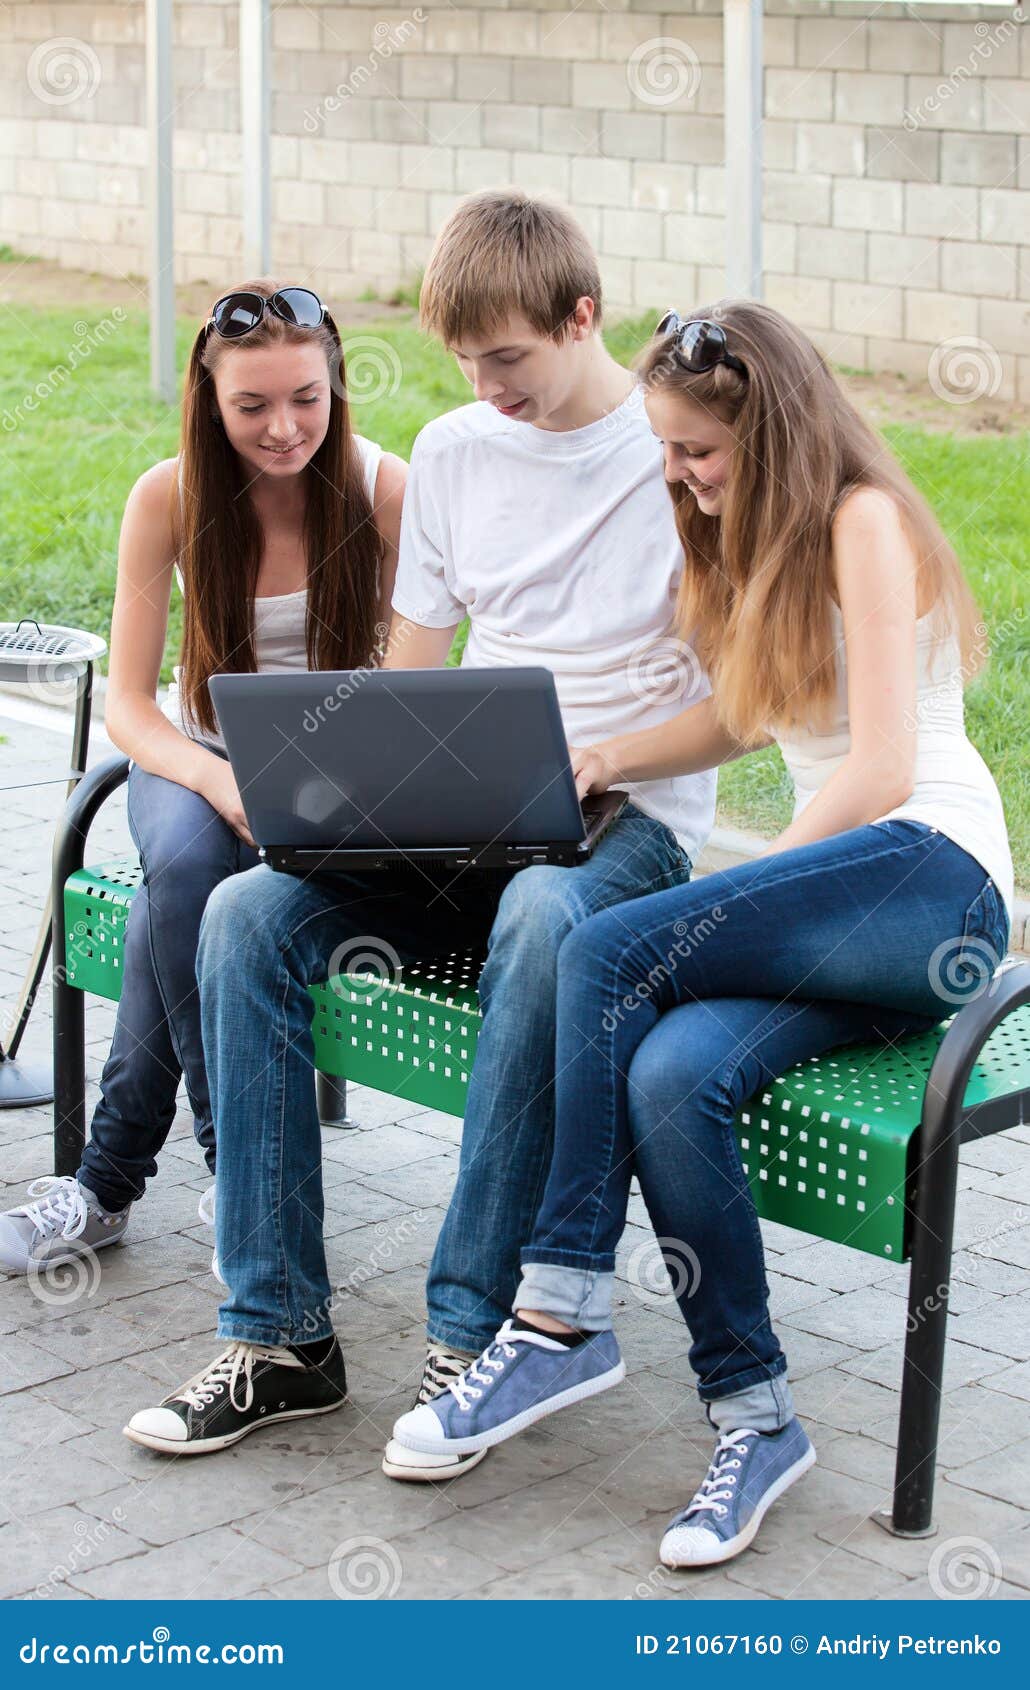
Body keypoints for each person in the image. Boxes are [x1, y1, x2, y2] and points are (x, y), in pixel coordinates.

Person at [389, 301, 1014, 1564]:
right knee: (673, 1074)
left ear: (771, 430)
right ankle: (754, 1415)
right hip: (845, 918)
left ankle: (558, 1312)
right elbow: (750, 723)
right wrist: (607, 754)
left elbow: (884, 763)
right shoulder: (736, 546)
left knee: (606, 946)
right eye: (668, 450)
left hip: (930, 877)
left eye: (697, 452)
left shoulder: (864, 520)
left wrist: (742, 896)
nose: (674, 472)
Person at [120, 192, 716, 1458]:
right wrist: (365, 795)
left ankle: (469, 1329)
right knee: (243, 910)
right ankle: (281, 1333)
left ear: (582, 315)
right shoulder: (451, 450)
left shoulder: (672, 450)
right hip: (471, 823)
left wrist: (602, 758)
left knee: (548, 913)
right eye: (463, 361)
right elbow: (410, 671)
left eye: (507, 358)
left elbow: (747, 702)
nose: (484, 387)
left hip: (628, 826)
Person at [0, 282, 405, 1278]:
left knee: (167, 910)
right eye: (252, 406)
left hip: (338, 784)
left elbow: (410, 691)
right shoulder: (170, 495)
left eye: (305, 398)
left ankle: (103, 1185)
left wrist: (319, 786)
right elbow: (131, 706)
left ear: (337, 383)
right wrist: (216, 780)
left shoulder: (382, 490)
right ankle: (238, 1173)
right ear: (209, 401)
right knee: (186, 860)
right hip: (195, 758)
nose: (283, 428)